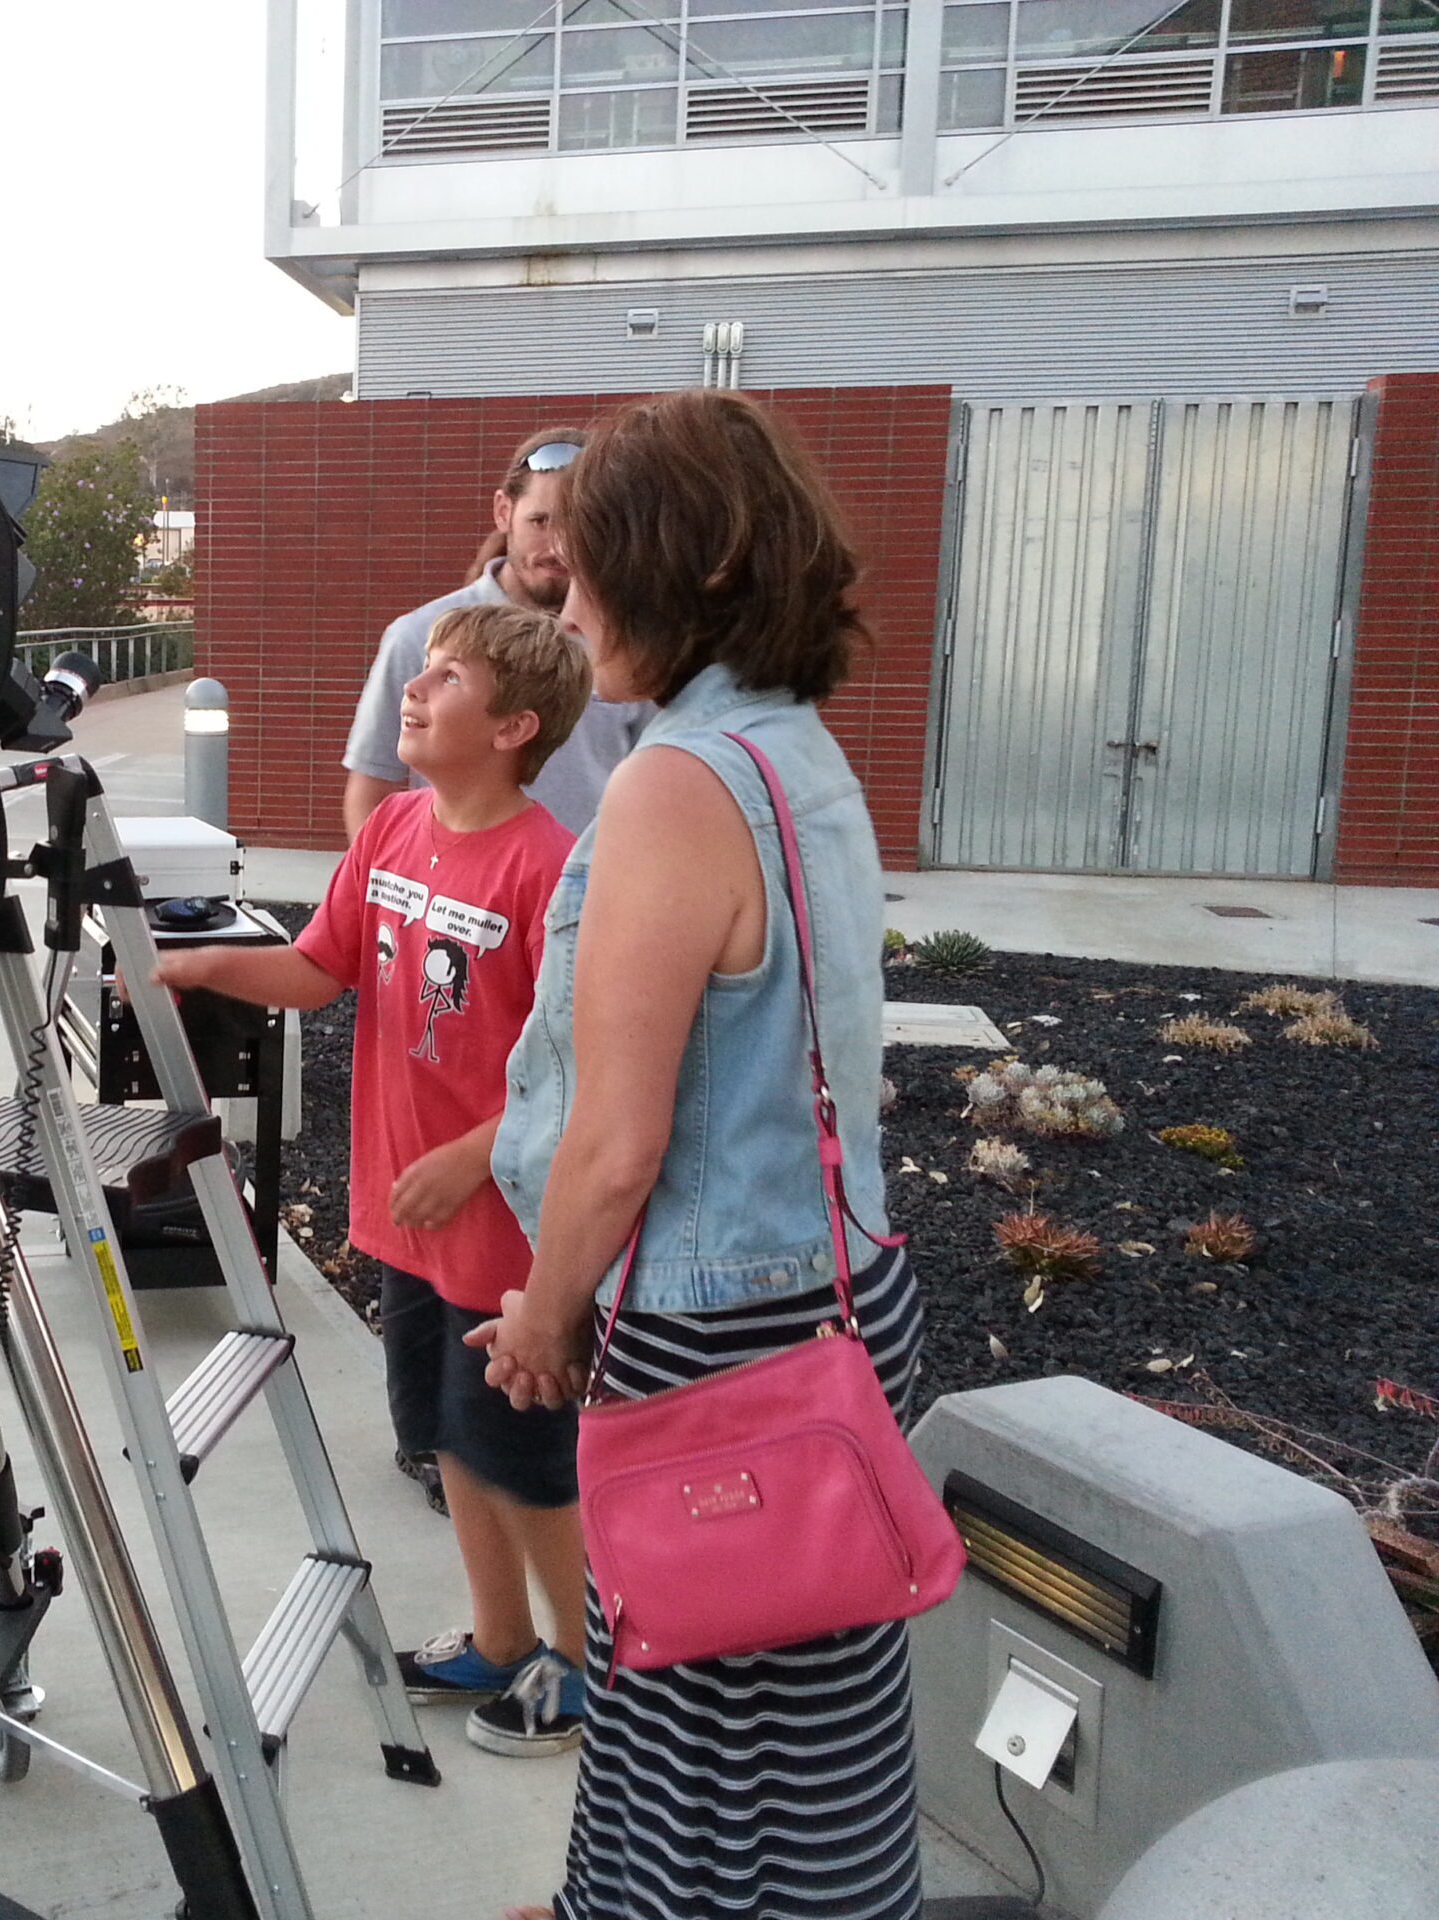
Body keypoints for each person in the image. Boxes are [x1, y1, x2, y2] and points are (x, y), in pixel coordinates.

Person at [477, 390, 925, 1918]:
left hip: (720, 1335)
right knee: (792, 1722)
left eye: (592, 565)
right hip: (836, 1293)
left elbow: (618, 1140)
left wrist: (545, 1317)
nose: (567, 602)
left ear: (691, 566)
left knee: (708, 1744)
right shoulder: (792, 750)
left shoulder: (678, 784)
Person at [155, 602, 594, 1757]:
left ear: (514, 726)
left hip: (502, 1234)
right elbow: (317, 969)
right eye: (421, 670)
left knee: (526, 1462)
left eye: (446, 679)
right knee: (448, 1437)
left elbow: (581, 1068)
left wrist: (471, 1155)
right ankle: (498, 1639)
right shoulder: (394, 827)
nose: (414, 688)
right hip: (409, 1219)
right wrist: (199, 966)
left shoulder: (550, 869)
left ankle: (586, 1666)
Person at [339, 429, 650, 842]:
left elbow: (655, 786)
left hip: (593, 878)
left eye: (582, 525)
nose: (559, 546)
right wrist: (388, 880)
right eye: (541, 521)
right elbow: (371, 786)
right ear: (504, 511)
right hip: (454, 880)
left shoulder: (628, 644)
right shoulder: (418, 637)